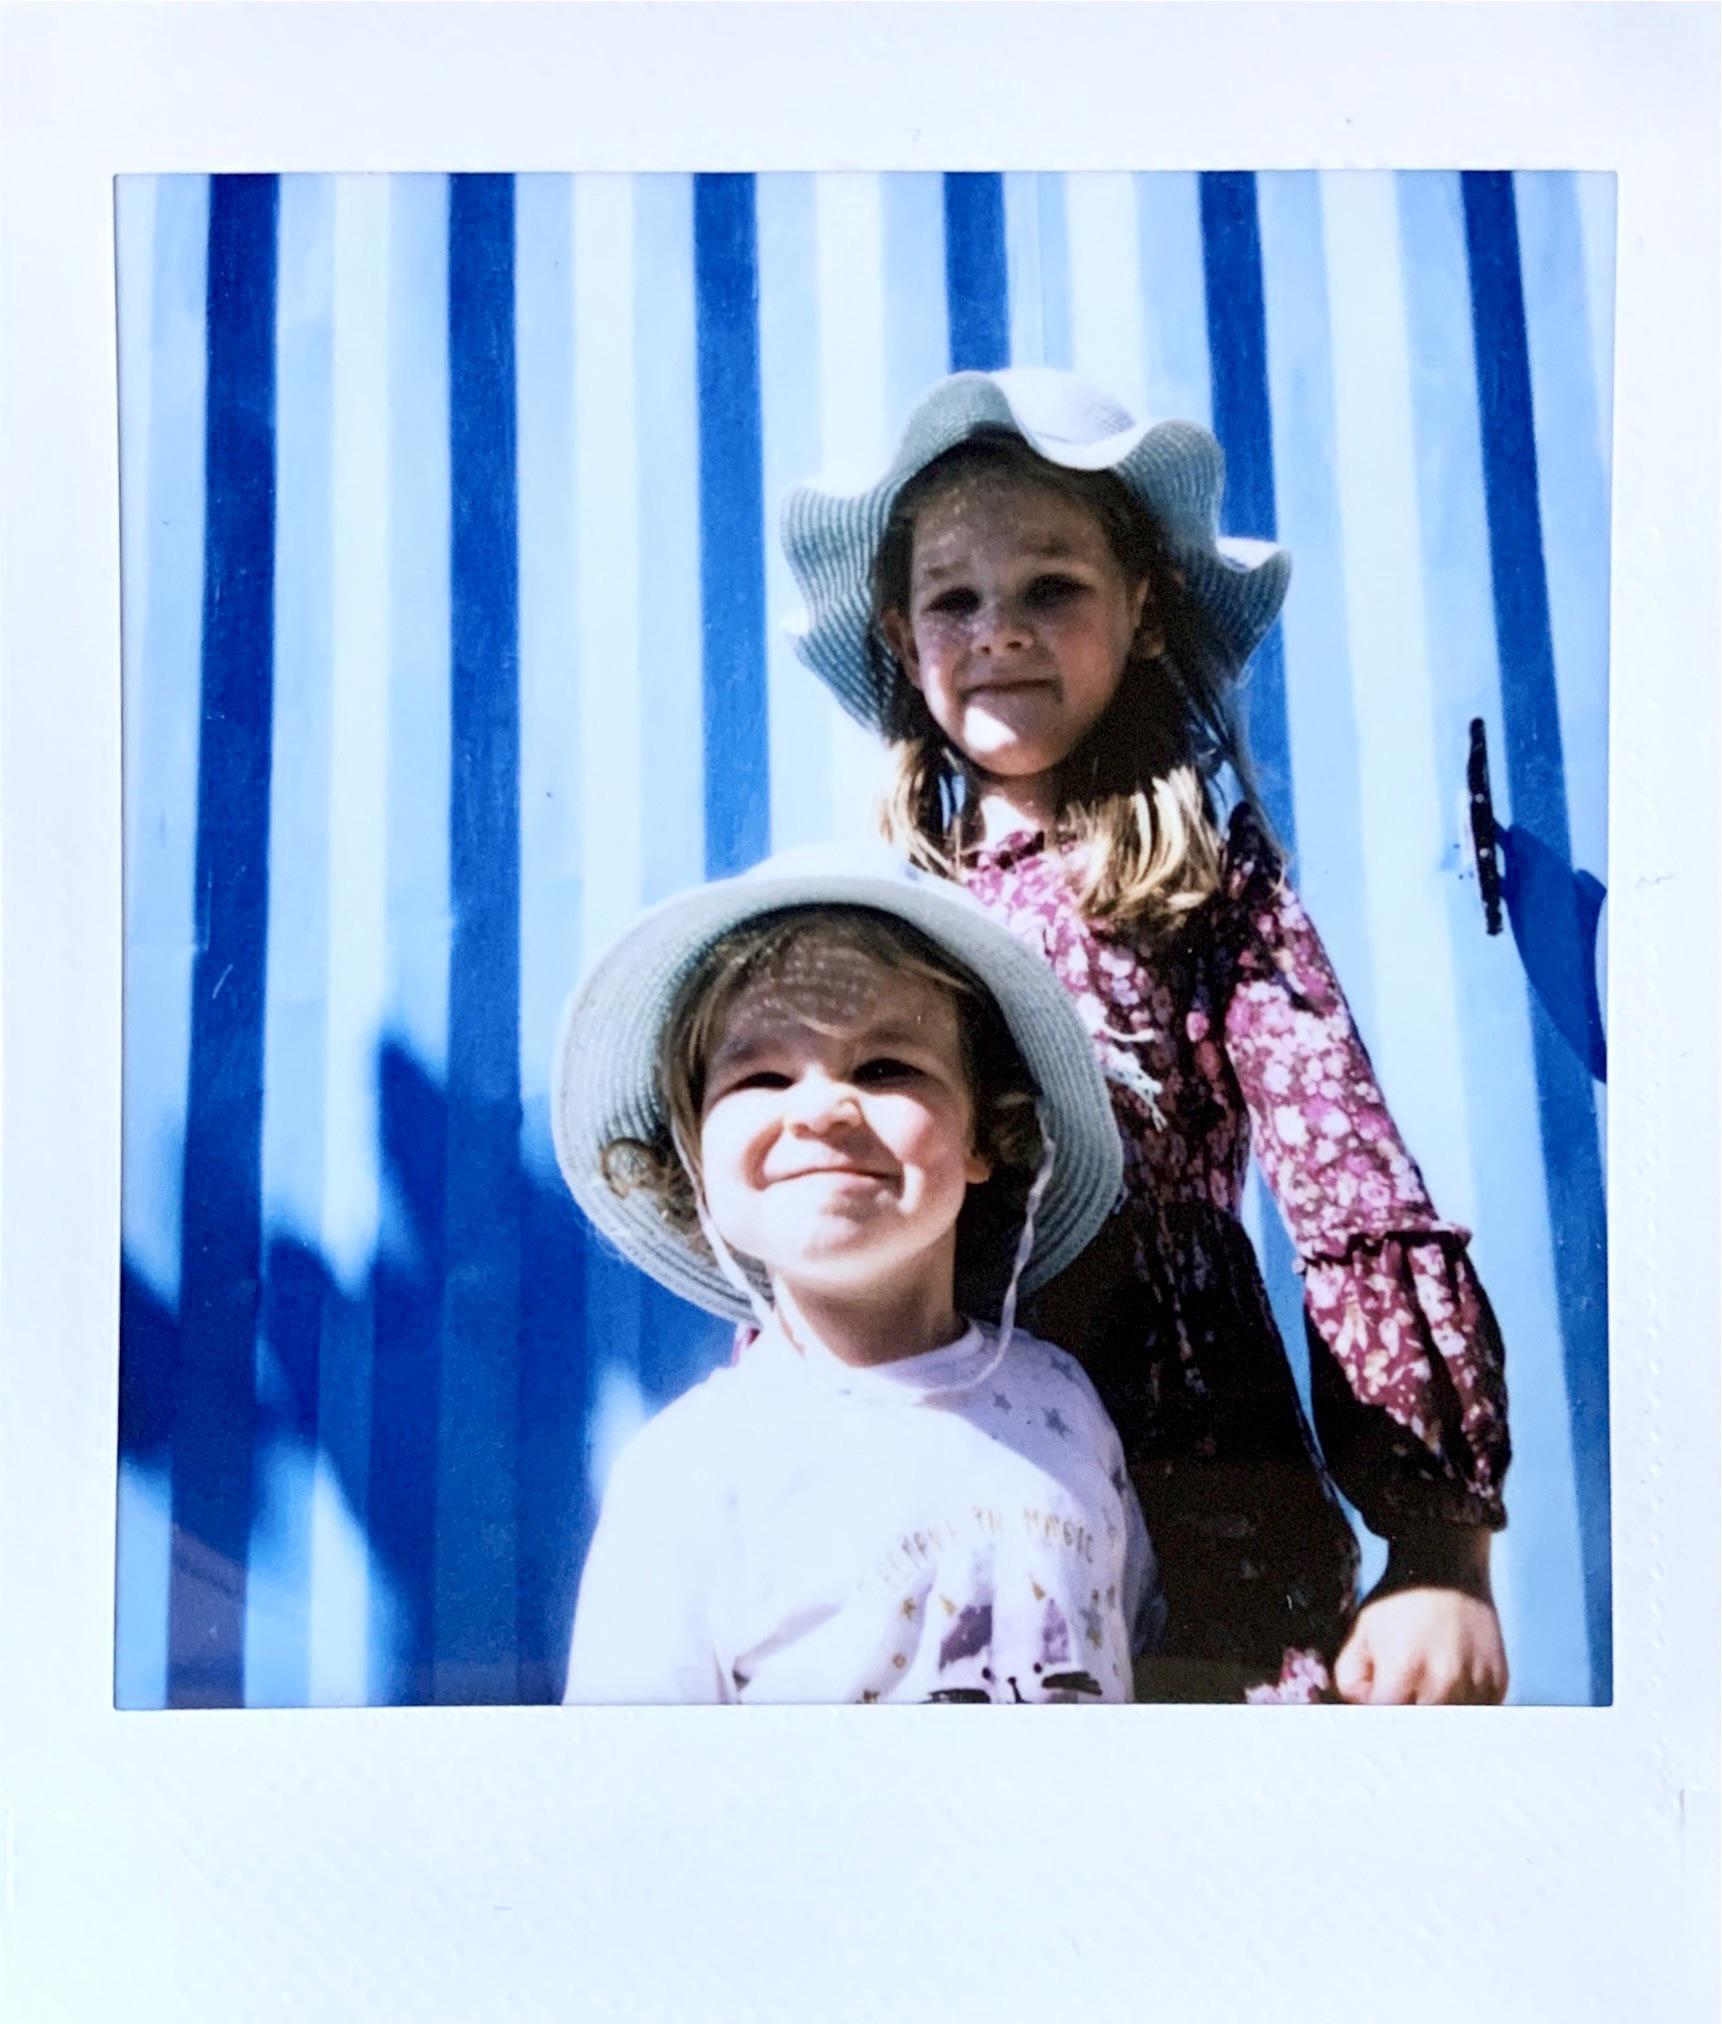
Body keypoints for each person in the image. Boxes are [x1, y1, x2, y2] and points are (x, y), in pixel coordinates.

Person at [781, 367, 1512, 1704]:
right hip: (954, 1434)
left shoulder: (1205, 887)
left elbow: (1346, 1184)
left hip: (1193, 1443)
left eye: (1050, 587)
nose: (997, 629)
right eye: (954, 599)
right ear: (899, 634)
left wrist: (1435, 1547)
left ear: (1143, 609)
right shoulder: (893, 914)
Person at [553, 846, 1160, 1705]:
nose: (822, 1107)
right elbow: (629, 1792)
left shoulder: (1064, 1400)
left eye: (886, 1068)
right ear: (694, 1160)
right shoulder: (692, 1473)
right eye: (762, 1075)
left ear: (985, 1133)